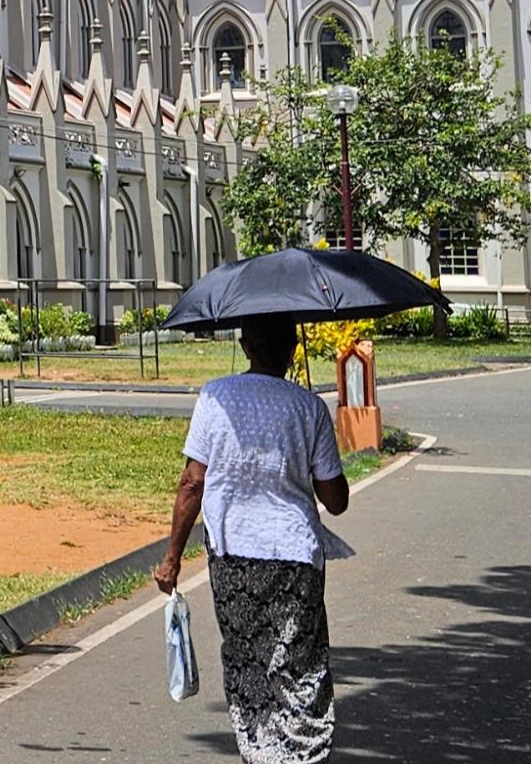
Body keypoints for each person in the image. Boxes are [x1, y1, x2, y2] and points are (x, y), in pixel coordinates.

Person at [156, 314, 351, 763]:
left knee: (248, 662)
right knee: (299, 665)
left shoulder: (215, 396)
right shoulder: (308, 408)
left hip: (233, 556)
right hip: (294, 560)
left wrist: (171, 559)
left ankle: (260, 754)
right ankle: (301, 756)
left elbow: (192, 483)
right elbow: (335, 499)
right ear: (292, 350)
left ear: (245, 346)